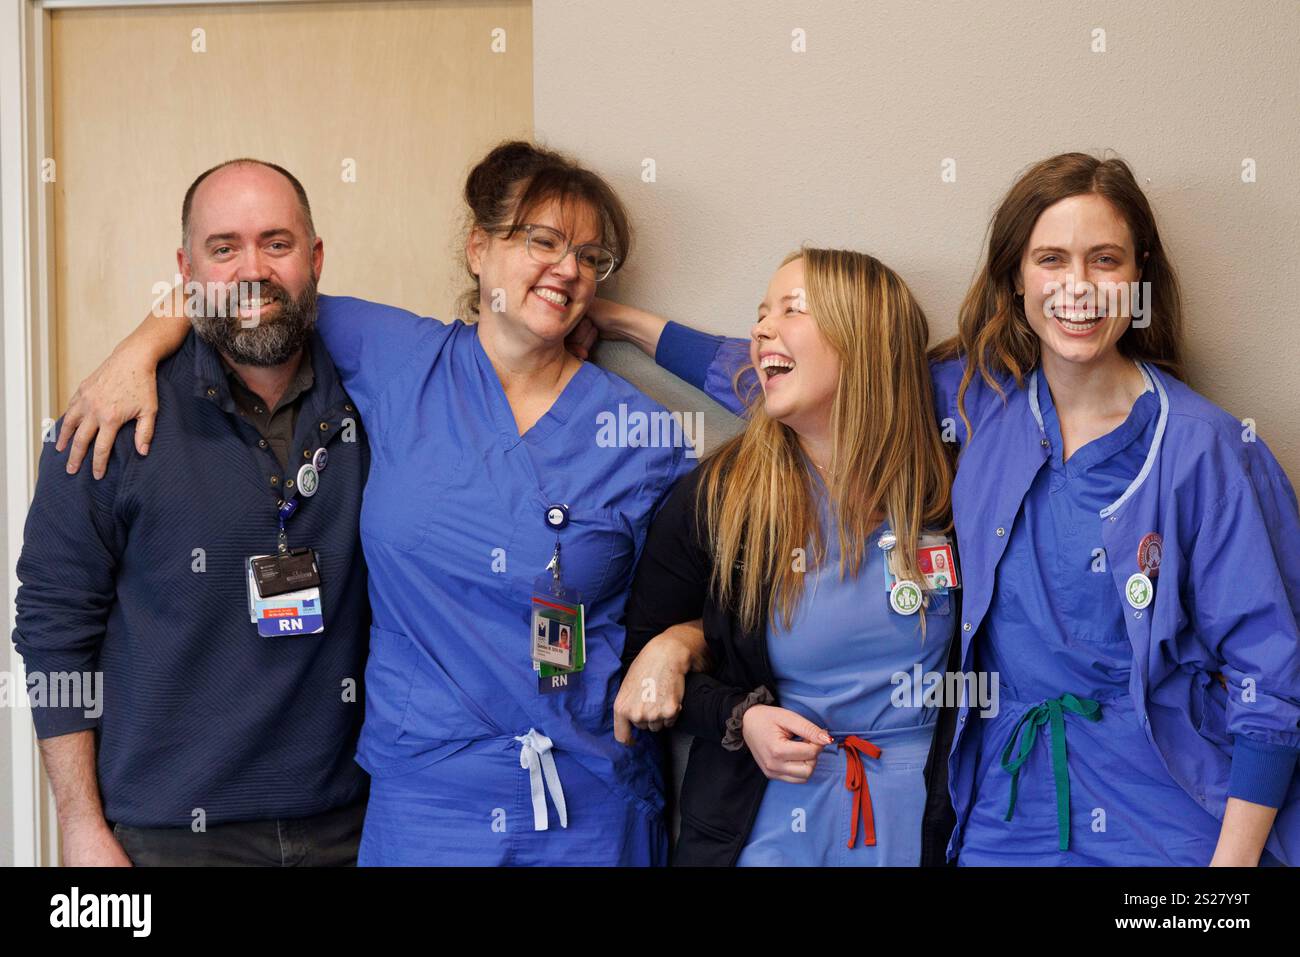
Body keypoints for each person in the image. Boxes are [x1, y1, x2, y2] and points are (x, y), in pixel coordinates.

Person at [591, 153, 1300, 866]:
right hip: (1003, 817)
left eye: (1105, 259)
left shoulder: (1209, 449)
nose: (1078, 287)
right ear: (1015, 280)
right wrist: (623, 322)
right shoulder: (981, 405)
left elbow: (1272, 682)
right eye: (1050, 258)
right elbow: (805, 372)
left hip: (1167, 820)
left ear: (1139, 273)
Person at [55, 141, 695, 866]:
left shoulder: (638, 433)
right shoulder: (395, 356)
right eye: (540, 240)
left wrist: (680, 642)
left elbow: (719, 594)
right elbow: (250, 292)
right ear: (477, 249)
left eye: (589, 255)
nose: (567, 266)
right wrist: (136, 349)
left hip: (588, 796)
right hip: (426, 799)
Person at [12, 159, 370, 866]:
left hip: (351, 825)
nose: (252, 268)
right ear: (185, 268)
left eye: (277, 242)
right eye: (223, 247)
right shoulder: (107, 420)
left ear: (316, 257)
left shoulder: (377, 395)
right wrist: (80, 826)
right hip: (164, 835)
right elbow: (52, 627)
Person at [620, 247, 956, 865]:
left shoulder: (952, 492)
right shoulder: (720, 499)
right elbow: (636, 674)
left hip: (920, 829)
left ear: (865, 339)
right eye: (760, 313)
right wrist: (736, 716)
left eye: (791, 310)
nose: (760, 329)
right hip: (768, 831)